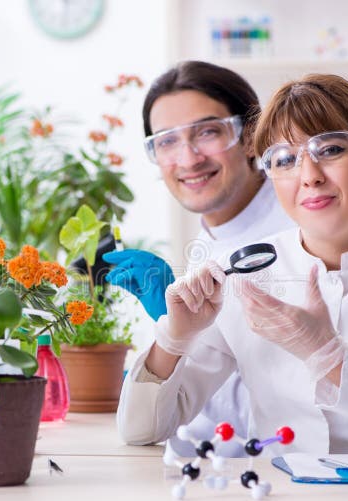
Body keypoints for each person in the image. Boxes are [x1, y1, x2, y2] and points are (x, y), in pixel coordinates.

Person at [116, 73, 348, 455]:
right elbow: (140, 430)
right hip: (277, 489)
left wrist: (328, 356)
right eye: (285, 159)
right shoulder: (240, 276)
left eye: (331, 150)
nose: (309, 176)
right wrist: (174, 339)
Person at [103, 61, 295, 455]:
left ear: (250, 137)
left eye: (207, 132)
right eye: (167, 141)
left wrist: (179, 340)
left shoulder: (300, 232)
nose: (188, 159)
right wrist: (173, 333)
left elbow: (281, 399)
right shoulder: (210, 240)